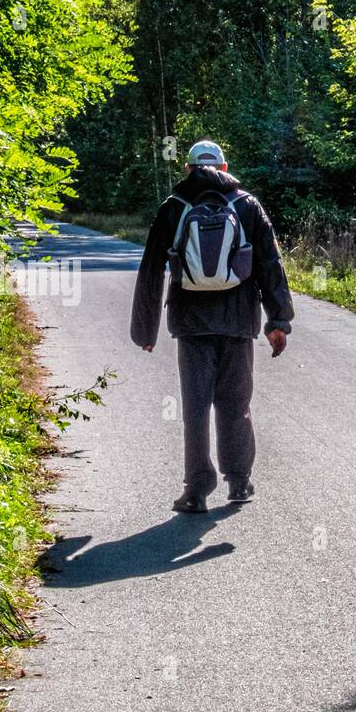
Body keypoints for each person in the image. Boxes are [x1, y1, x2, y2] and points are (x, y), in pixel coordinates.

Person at [130, 140, 295, 513]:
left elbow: (152, 269)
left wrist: (145, 329)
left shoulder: (174, 207)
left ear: (187, 169)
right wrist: (279, 320)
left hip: (190, 324)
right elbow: (271, 265)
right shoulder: (247, 205)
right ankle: (239, 482)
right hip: (239, 323)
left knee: (195, 407)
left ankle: (196, 491)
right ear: (224, 167)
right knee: (236, 404)